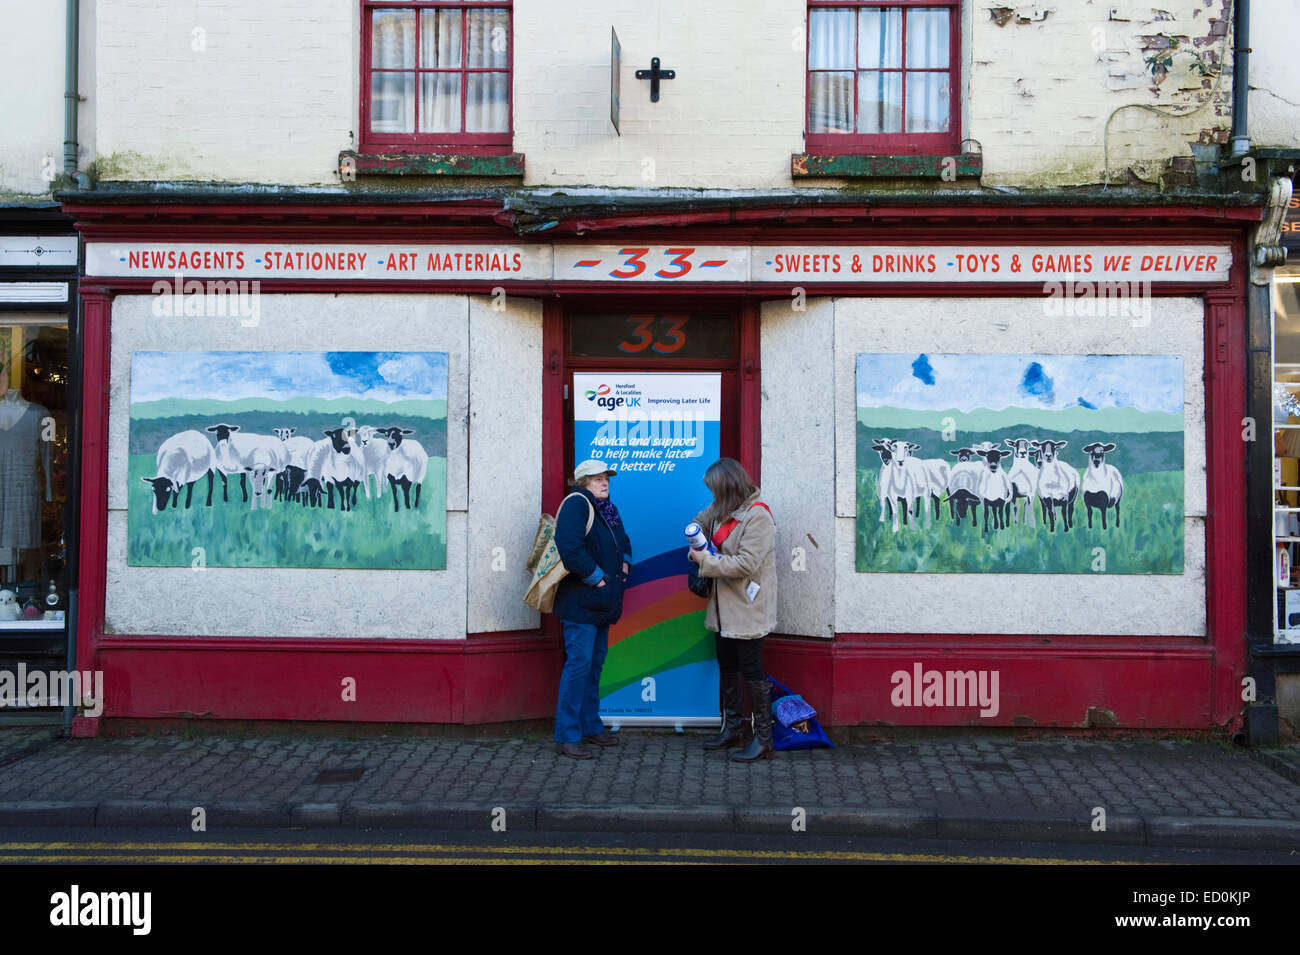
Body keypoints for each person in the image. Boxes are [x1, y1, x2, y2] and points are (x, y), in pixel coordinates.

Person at [688, 458, 778, 761]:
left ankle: (764, 739)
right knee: (727, 666)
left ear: (728, 488)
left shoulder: (758, 517)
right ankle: (734, 728)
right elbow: (701, 519)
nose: (712, 497)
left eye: (715, 490)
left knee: (752, 671)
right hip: (722, 609)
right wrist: (695, 533)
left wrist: (704, 561)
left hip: (746, 608)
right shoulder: (721, 507)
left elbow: (745, 564)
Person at [551, 459, 632, 759]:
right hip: (582, 603)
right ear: (582, 481)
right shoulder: (577, 503)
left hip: (602, 604)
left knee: (593, 666)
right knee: (578, 667)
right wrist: (597, 579)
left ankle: (590, 726)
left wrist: (625, 563)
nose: (604, 482)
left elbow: (623, 540)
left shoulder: (608, 509)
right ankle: (567, 735)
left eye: (606, 478)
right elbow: (568, 547)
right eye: (597, 478)